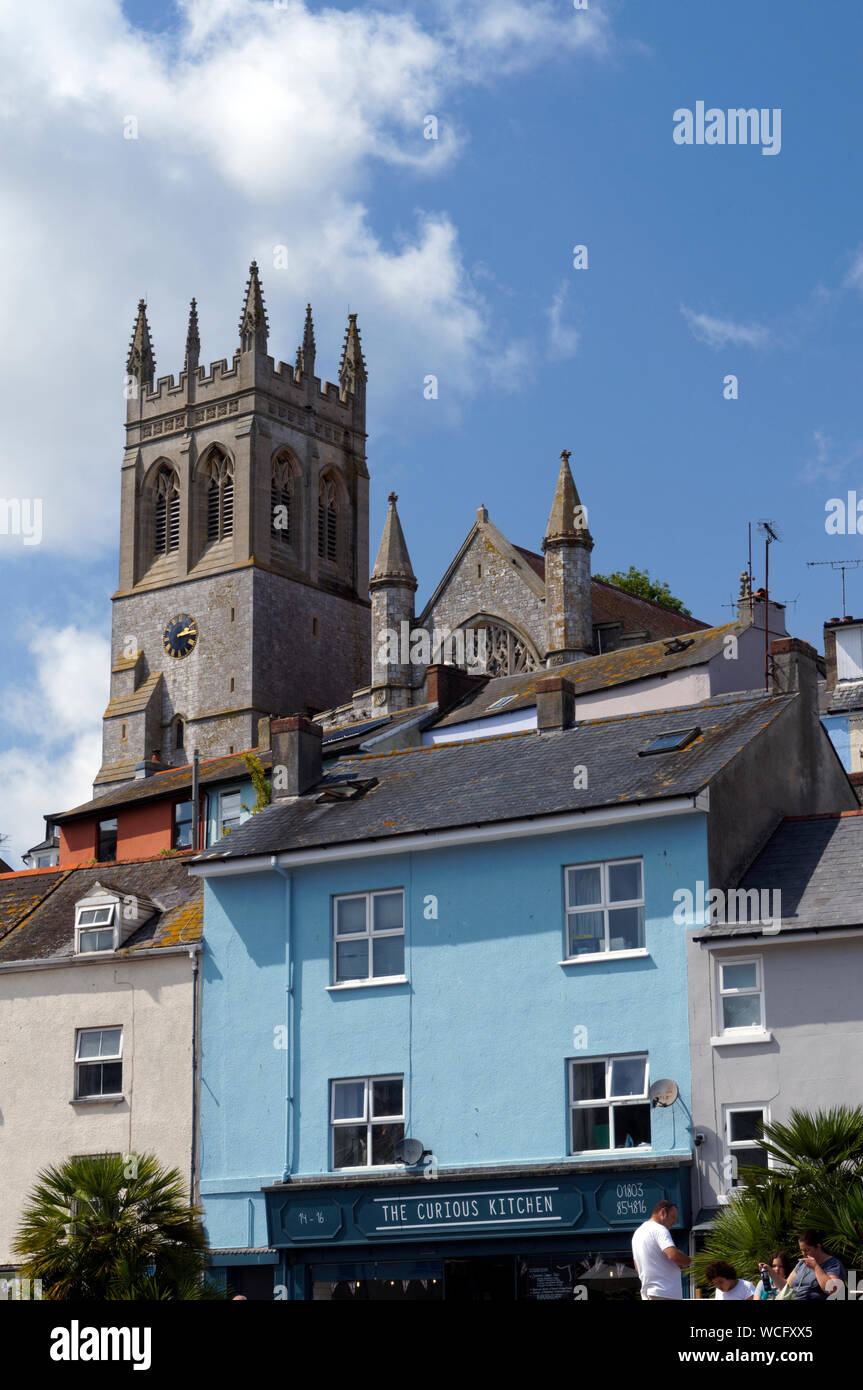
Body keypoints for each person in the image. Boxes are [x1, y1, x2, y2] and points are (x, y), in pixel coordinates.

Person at [631, 1200, 690, 1300]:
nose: (674, 1222)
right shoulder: (660, 1229)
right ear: (662, 1212)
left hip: (648, 1294)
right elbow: (673, 1255)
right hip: (665, 1292)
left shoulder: (637, 1233)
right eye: (673, 1217)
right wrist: (688, 1261)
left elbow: (637, 1266)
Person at [785, 1230, 846, 1301]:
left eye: (807, 1250)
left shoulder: (833, 1264)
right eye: (801, 1250)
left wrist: (816, 1268)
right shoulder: (802, 1264)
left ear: (818, 1247)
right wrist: (772, 1272)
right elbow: (787, 1286)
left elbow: (832, 1289)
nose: (804, 1254)